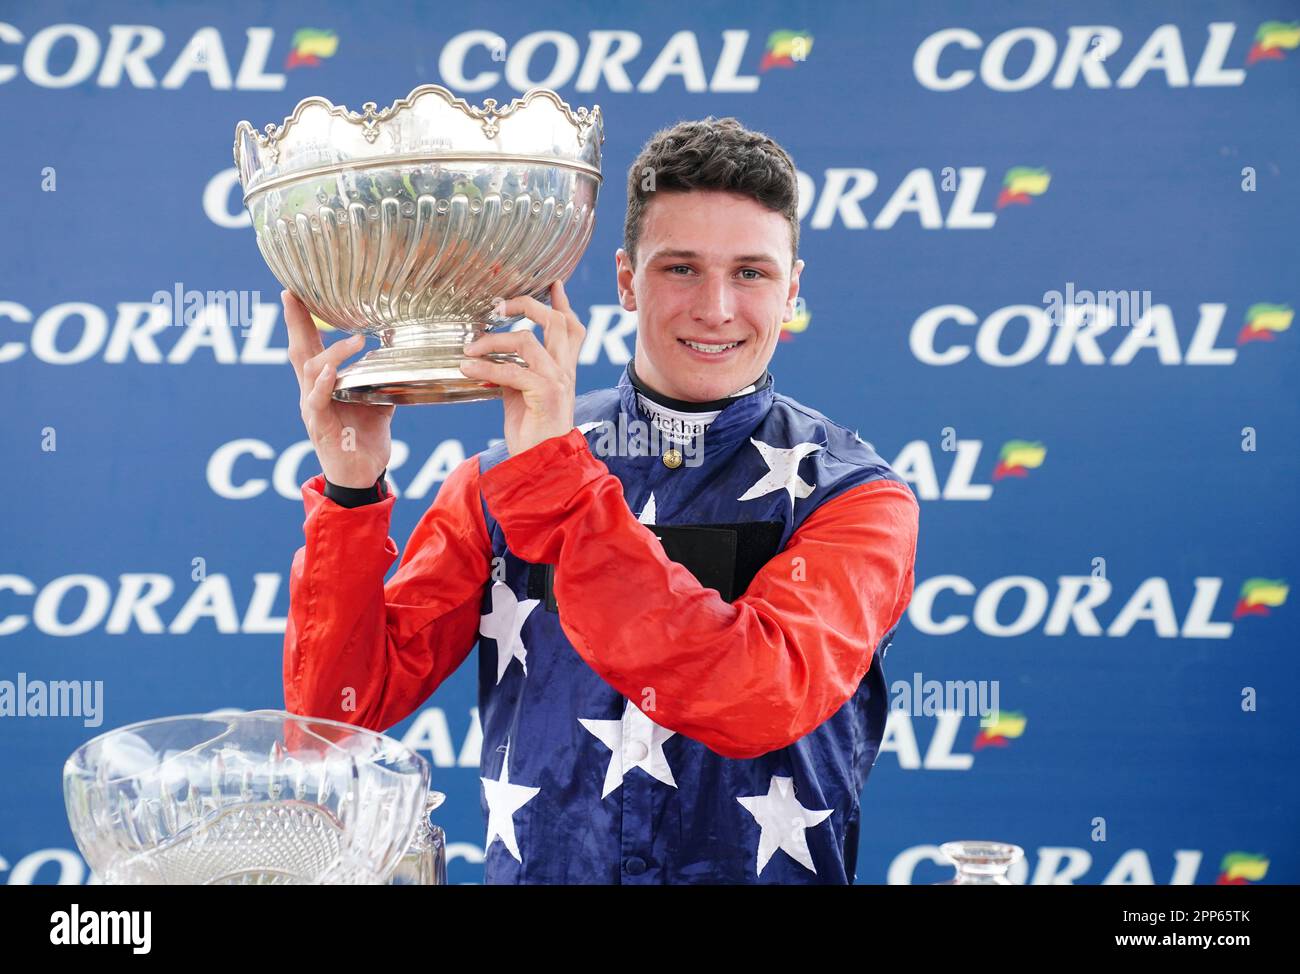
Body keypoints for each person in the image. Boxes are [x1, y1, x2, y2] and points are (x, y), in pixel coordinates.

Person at [282, 117, 920, 884]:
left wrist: (556, 478)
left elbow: (756, 696)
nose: (716, 307)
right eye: (680, 268)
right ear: (625, 280)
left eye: (751, 272)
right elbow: (340, 715)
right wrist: (352, 487)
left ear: (792, 290)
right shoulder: (497, 480)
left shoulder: (858, 498)